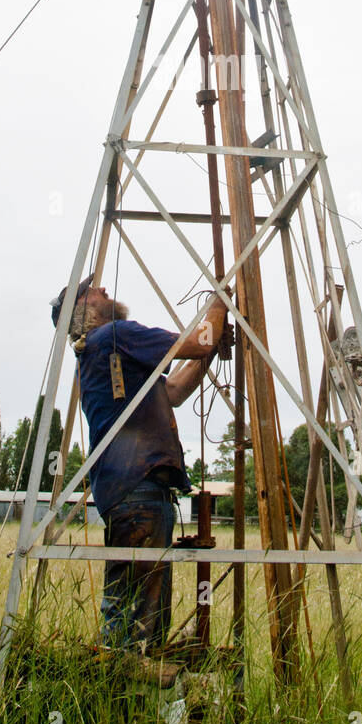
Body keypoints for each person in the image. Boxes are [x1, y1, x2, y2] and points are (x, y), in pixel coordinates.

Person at [51, 275, 227, 655]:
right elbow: (197, 342)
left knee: (132, 602)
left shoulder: (102, 355)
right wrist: (222, 302)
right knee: (141, 615)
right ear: (83, 308)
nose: (105, 291)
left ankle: (117, 679)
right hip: (138, 486)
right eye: (94, 290)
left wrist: (209, 349)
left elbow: (176, 391)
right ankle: (124, 683)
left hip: (130, 491)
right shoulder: (114, 335)